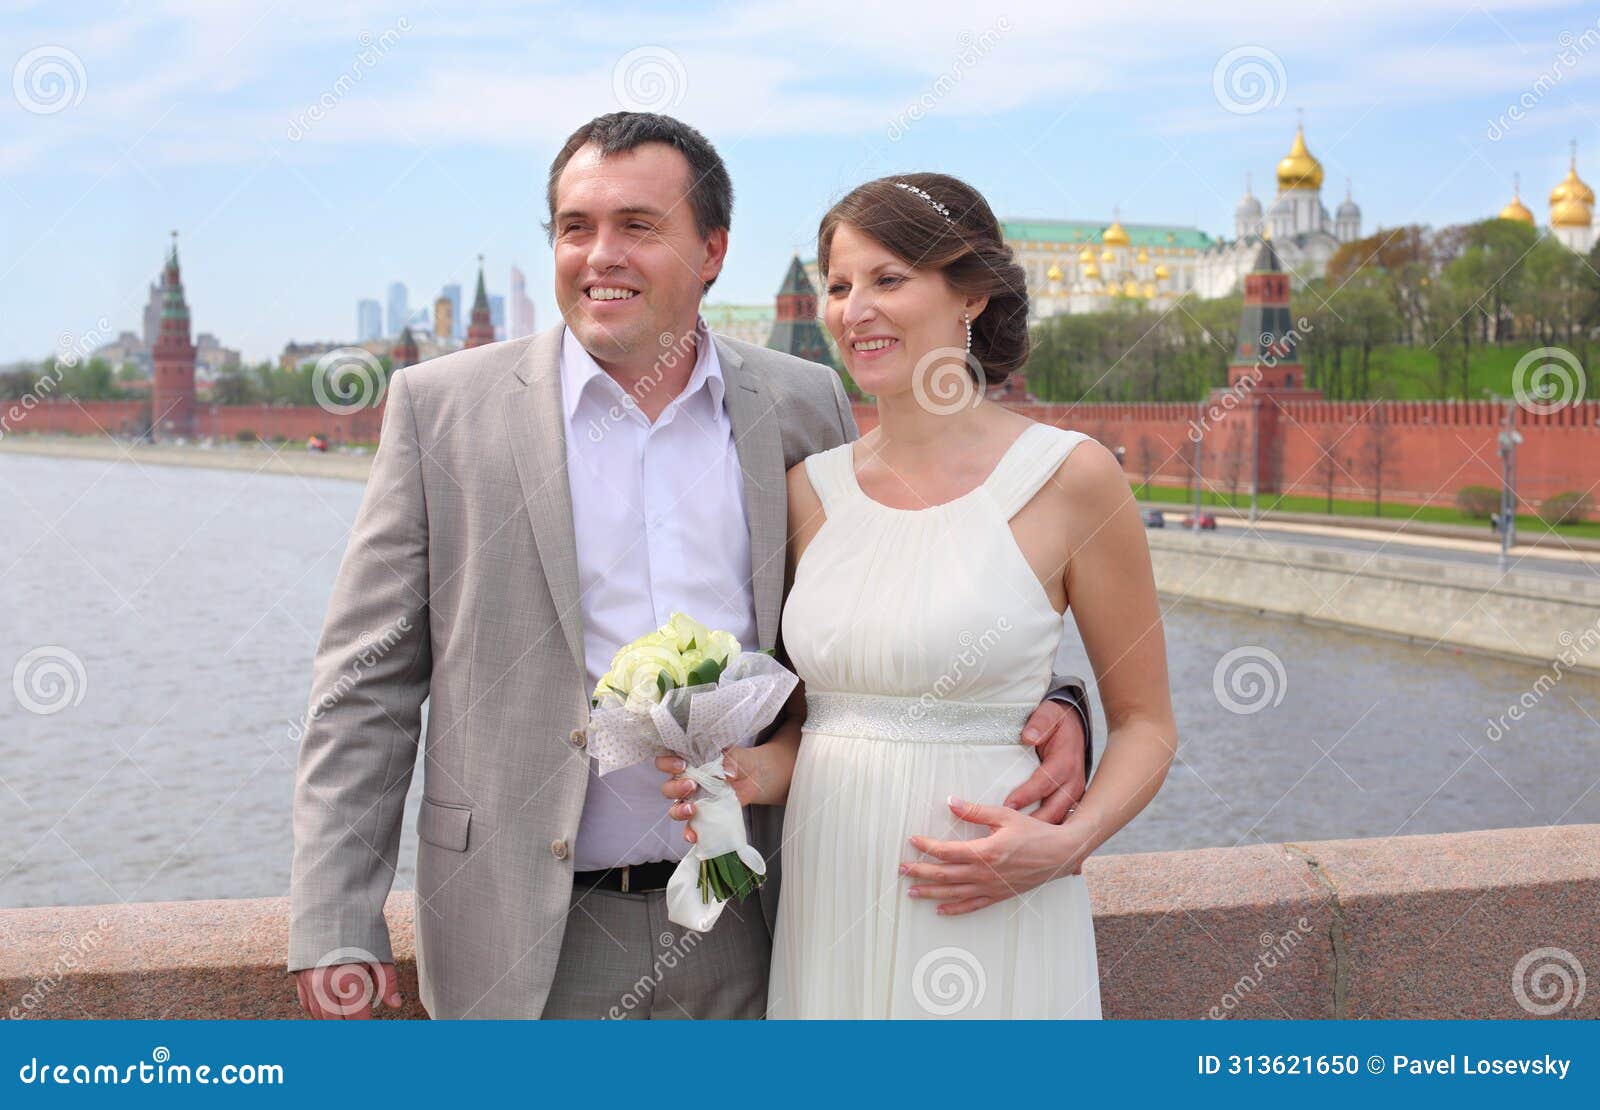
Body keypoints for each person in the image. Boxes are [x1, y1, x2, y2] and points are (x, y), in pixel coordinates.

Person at [287, 115, 1095, 1020]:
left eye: (638, 226)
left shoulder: (800, 401)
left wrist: (1052, 698)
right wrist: (335, 919)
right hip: (524, 935)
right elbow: (366, 687)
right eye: (573, 227)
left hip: (760, 917)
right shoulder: (443, 410)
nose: (600, 255)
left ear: (711, 250)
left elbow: (890, 596)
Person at [663, 173, 1177, 1018]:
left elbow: (1149, 724)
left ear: (969, 292)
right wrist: (750, 772)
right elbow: (826, 720)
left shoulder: (1071, 478)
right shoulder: (807, 491)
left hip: (987, 893)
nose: (852, 309)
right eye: (838, 285)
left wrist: (1064, 845)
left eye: (888, 279)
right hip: (827, 898)